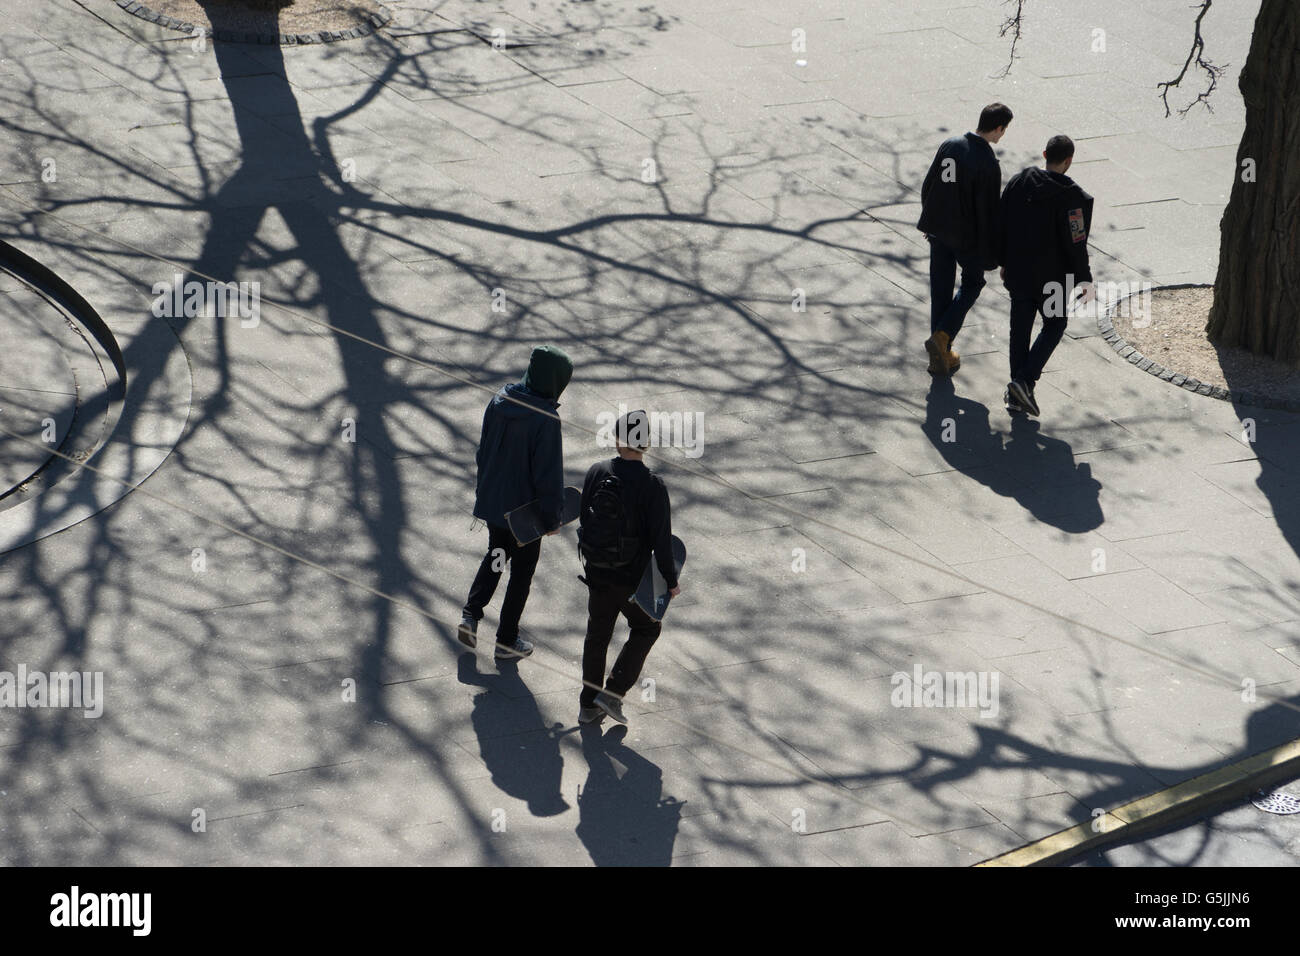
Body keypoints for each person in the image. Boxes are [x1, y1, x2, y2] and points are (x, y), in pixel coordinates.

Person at [457, 345, 573, 660]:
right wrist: (552, 519)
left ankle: (471, 614)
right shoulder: (546, 418)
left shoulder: (499, 399)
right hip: (525, 512)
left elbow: (483, 451)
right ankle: (507, 639)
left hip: (495, 502)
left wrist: (486, 491)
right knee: (521, 573)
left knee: (496, 554)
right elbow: (548, 475)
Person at [576, 410, 679, 725]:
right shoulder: (652, 485)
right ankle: (613, 692)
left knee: (598, 634)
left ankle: (588, 705)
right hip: (631, 579)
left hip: (596, 572)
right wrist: (670, 582)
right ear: (646, 443)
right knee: (647, 628)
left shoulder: (596, 472)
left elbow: (584, 519)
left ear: (618, 439)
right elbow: (662, 541)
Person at [998, 134, 1095, 417]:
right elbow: (1076, 243)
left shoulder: (1019, 182)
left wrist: (1003, 260)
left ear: (1044, 154)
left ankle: (1017, 394)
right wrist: (1084, 278)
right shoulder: (1073, 198)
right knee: (1054, 325)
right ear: (1069, 161)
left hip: (1018, 271)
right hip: (1052, 280)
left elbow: (1002, 222)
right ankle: (1024, 382)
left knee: (1020, 330)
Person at [917, 103, 1012, 375]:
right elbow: (988, 211)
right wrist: (991, 251)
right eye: (1003, 131)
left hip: (938, 231)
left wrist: (930, 220)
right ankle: (943, 337)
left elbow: (929, 185)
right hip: (966, 238)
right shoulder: (988, 162)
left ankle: (941, 356)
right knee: (973, 282)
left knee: (941, 290)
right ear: (998, 128)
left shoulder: (950, 145)